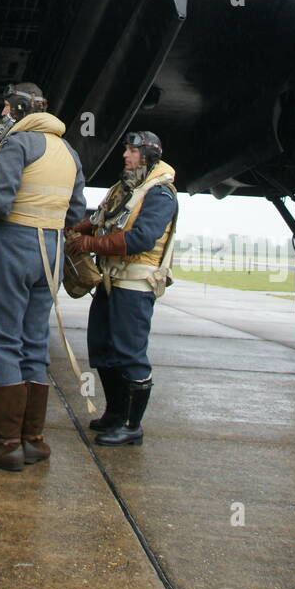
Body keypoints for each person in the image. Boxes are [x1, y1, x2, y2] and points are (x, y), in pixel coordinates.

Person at [0, 83, 86, 471]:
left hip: (14, 243)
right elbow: (76, 212)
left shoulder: (18, 144)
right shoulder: (69, 152)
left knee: (2, 340)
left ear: (17, 109)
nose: (2, 113)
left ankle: (5, 444)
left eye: (5, 107)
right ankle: (33, 440)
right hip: (50, 250)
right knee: (34, 342)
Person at [66, 131, 178, 446]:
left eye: (132, 151)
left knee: (130, 353)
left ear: (148, 156)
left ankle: (132, 425)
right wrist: (76, 228)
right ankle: (115, 414)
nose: (126, 155)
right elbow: (103, 218)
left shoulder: (159, 194)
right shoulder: (124, 188)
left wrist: (91, 243)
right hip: (110, 280)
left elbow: (141, 238)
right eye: (127, 149)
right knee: (102, 347)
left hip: (134, 284)